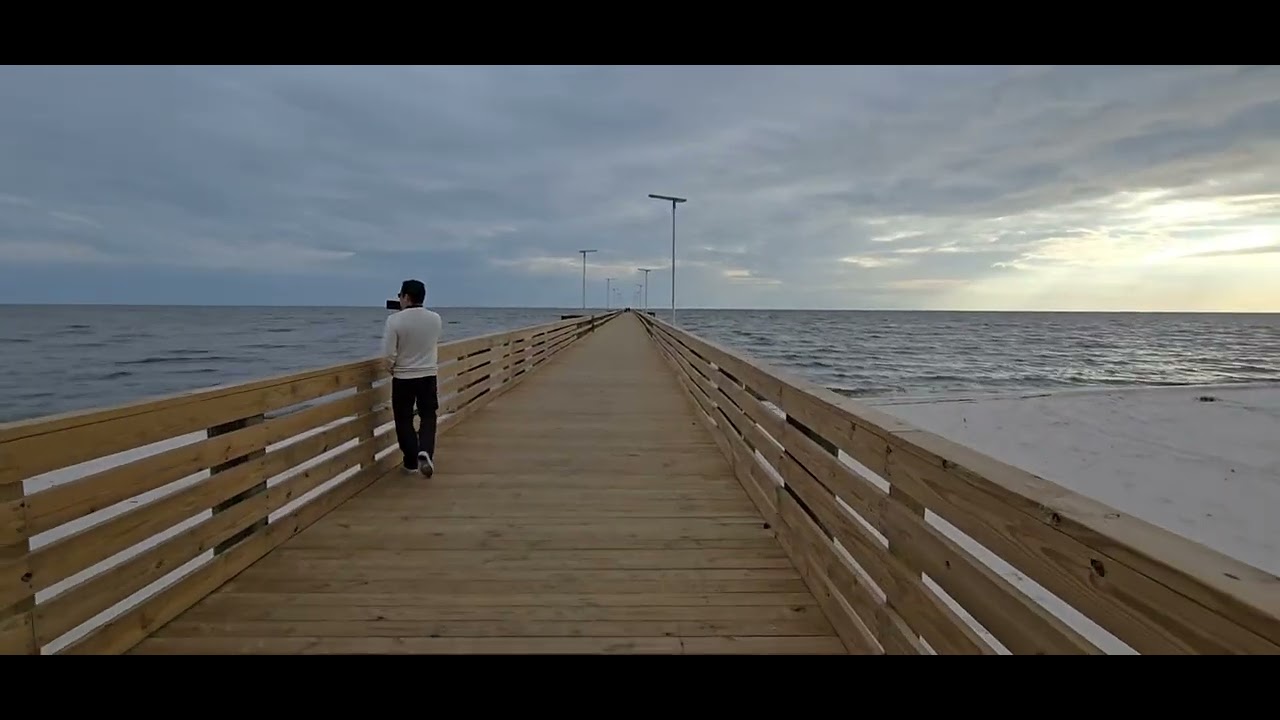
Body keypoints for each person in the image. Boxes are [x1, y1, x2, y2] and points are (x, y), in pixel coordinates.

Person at [382, 279, 443, 477]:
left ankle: (410, 462)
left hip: (403, 376)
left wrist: (390, 368)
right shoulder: (435, 318)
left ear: (406, 297)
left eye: (400, 296)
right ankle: (425, 450)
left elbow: (389, 353)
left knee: (403, 419)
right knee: (428, 415)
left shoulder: (394, 320)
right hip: (428, 374)